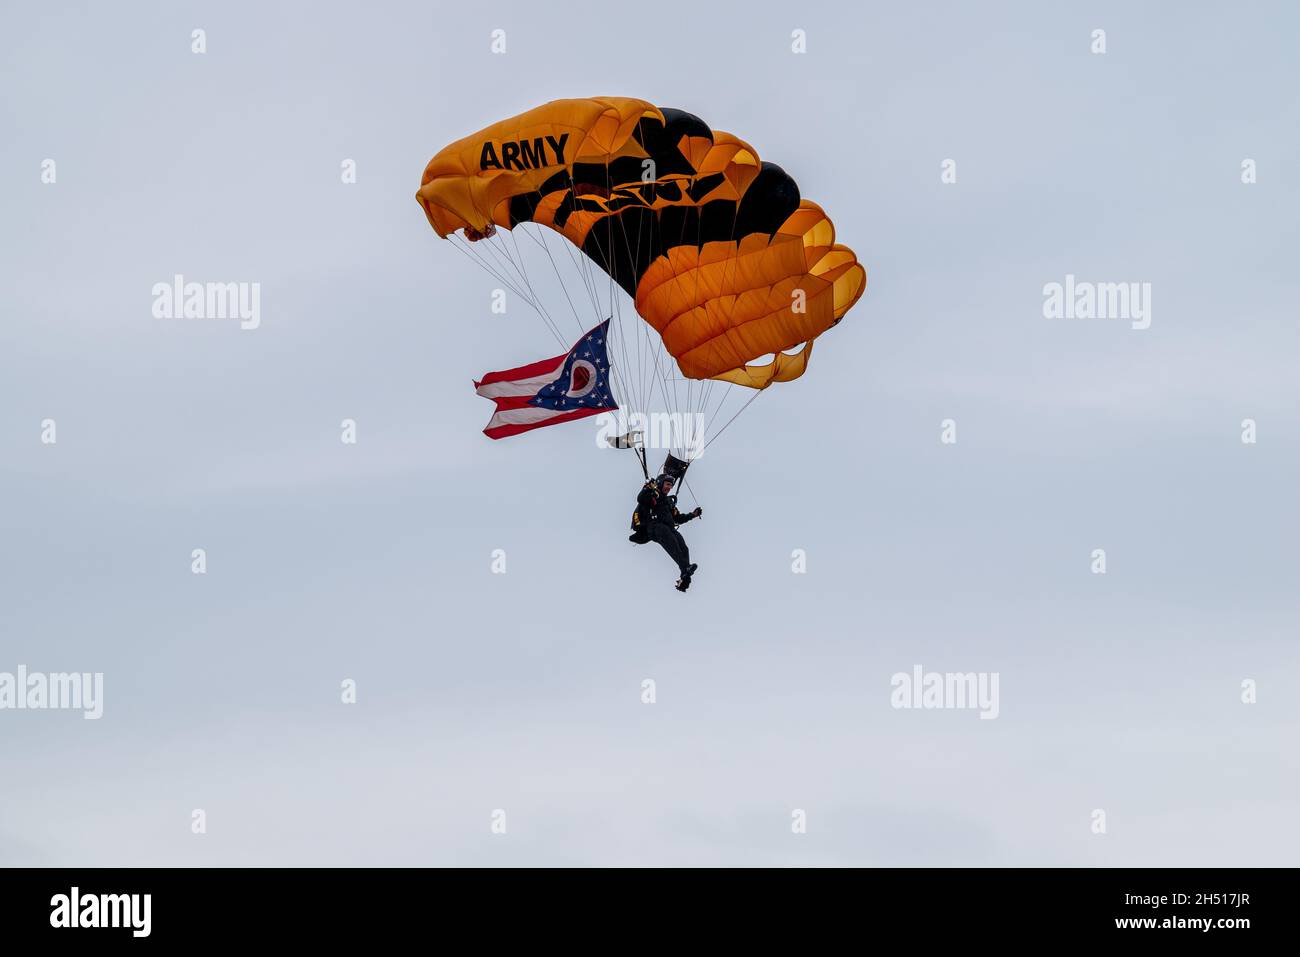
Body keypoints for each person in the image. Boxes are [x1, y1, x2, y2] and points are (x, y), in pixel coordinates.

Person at [629, 473, 702, 590]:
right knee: (671, 539)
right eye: (668, 484)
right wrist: (647, 488)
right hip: (654, 527)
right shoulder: (653, 494)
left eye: (671, 486)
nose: (669, 487)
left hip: (668, 528)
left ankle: (685, 577)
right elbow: (641, 499)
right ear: (660, 483)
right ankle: (685, 567)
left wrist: (692, 515)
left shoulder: (668, 501)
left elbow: (677, 518)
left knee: (683, 547)